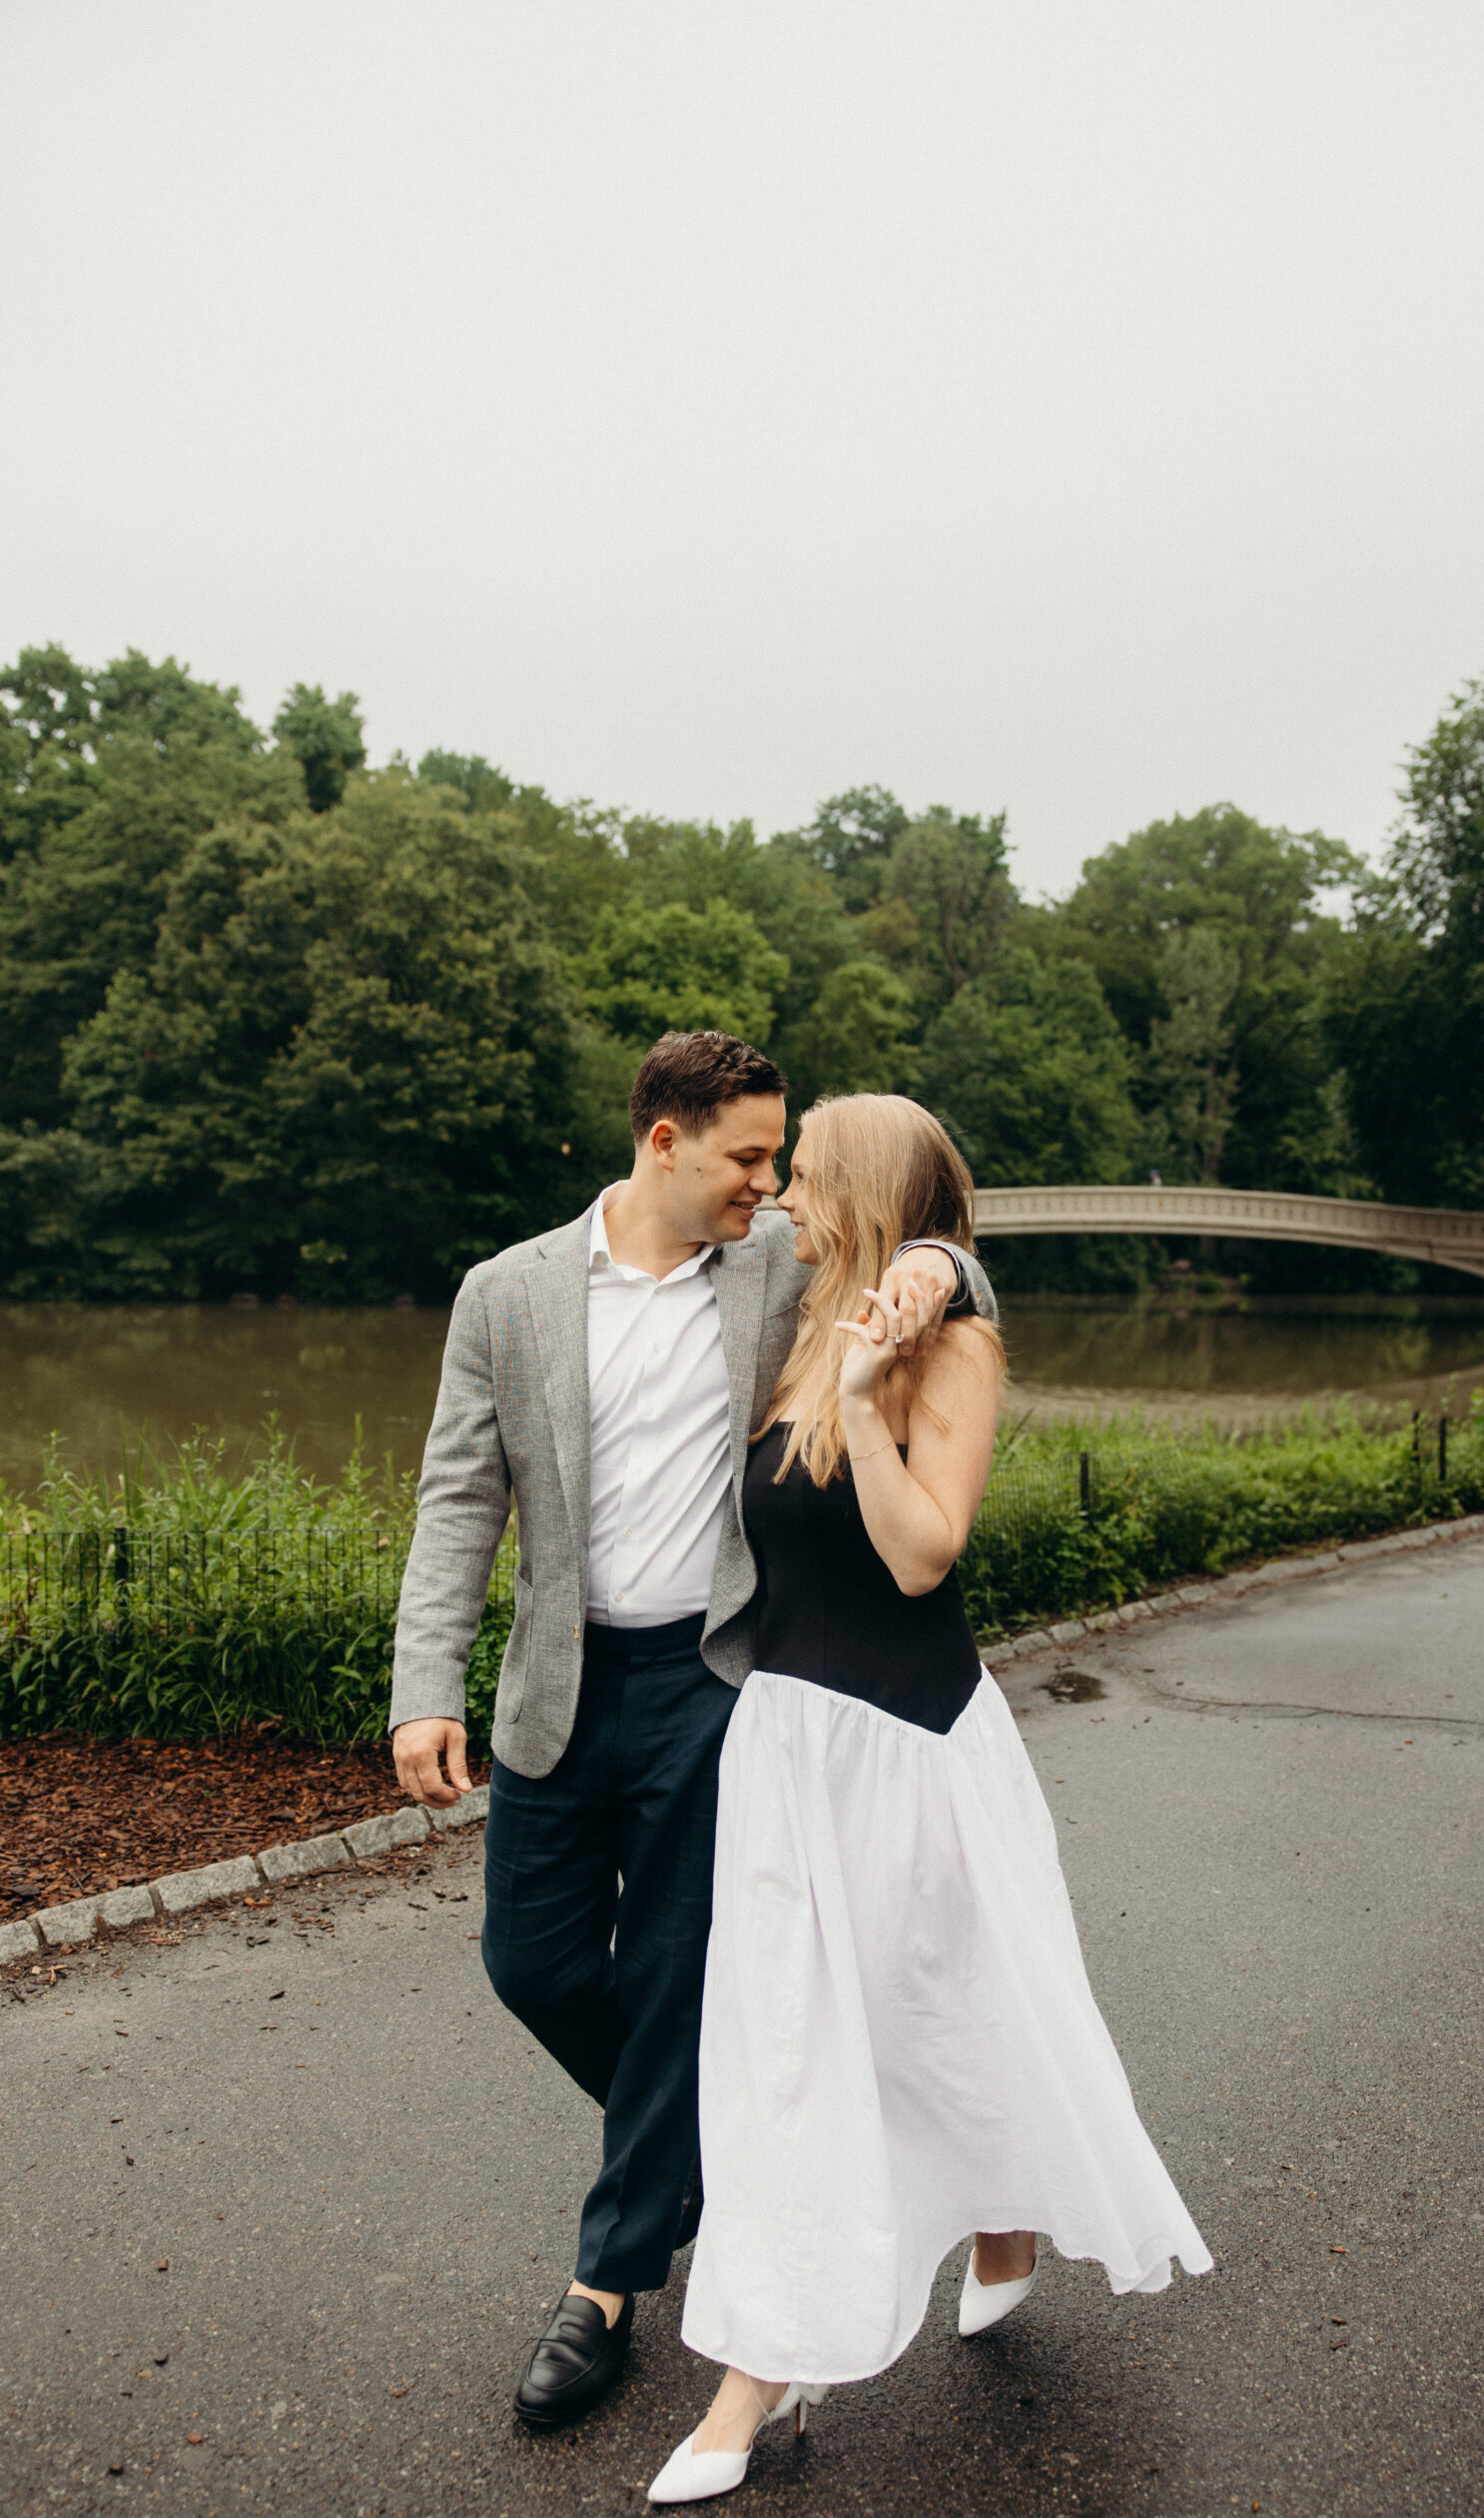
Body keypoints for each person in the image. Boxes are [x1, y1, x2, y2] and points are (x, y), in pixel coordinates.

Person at [387, 1033, 994, 2434]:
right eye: (745, 1157)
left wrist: (940, 1270)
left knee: (671, 1980)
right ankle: (718, 2157)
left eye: (780, 1162)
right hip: (559, 1684)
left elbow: (945, 1246)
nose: (771, 1186)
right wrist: (429, 1684)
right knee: (531, 1961)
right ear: (663, 1139)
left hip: (719, 1683)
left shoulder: (781, 1268)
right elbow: (457, 1502)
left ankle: (604, 2285)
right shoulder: (508, 1293)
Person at [646, 1094, 1211, 2507]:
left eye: (805, 1175)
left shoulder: (947, 1342)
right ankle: (761, 2370)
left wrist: (869, 1387)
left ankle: (1005, 2217)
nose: (778, 1194)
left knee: (952, 2017)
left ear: (863, 1193)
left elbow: (919, 1560)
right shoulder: (787, 1304)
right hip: (782, 1749)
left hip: (910, 1748)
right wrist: (921, 1272)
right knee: (792, 2053)